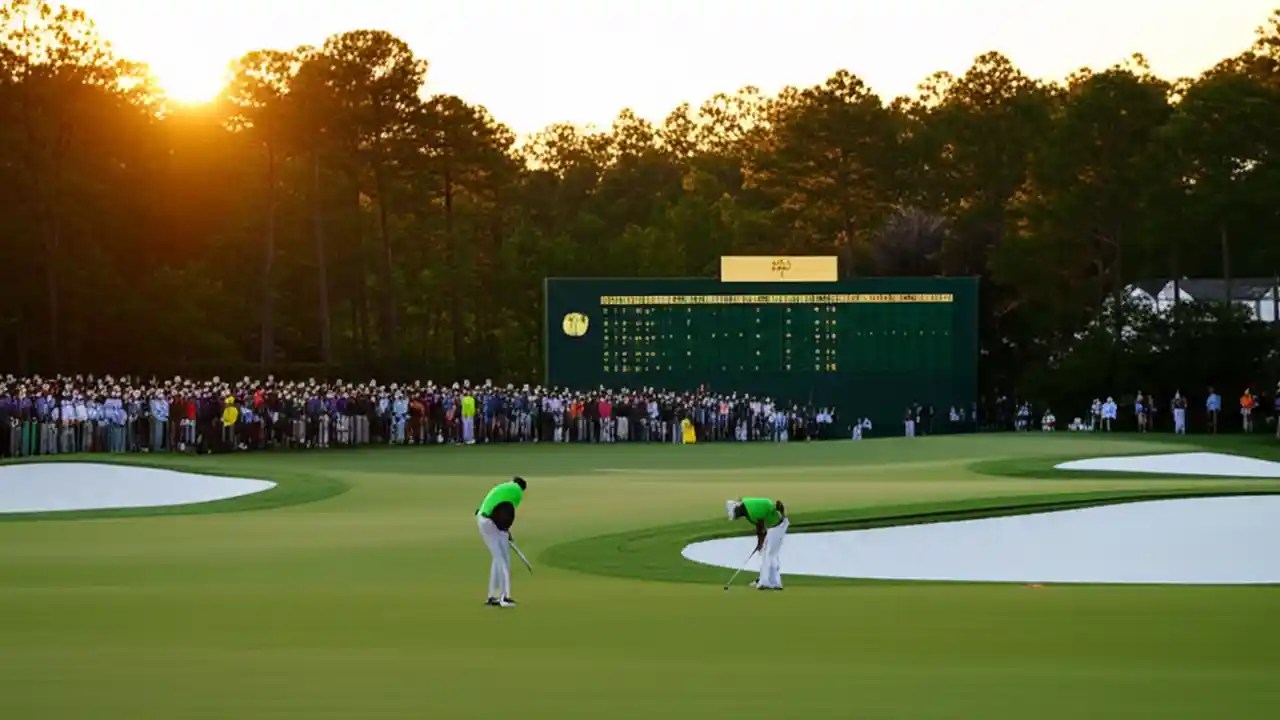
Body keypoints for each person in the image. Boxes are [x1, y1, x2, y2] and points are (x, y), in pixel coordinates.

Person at [476, 476, 526, 608]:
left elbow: (496, 507)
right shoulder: (518, 492)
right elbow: (507, 513)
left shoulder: (502, 487)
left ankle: (492, 596)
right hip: (493, 522)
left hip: (483, 519)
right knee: (503, 559)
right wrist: (505, 530)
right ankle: (504, 597)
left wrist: (505, 532)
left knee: (497, 558)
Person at [726, 497, 788, 590]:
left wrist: (761, 542)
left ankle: (766, 582)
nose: (737, 517)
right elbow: (759, 527)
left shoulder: (750, 510)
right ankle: (772, 582)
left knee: (769, 555)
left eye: (735, 514)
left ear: (737, 509)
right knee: (769, 555)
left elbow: (761, 526)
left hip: (777, 527)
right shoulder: (747, 508)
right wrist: (760, 542)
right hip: (775, 526)